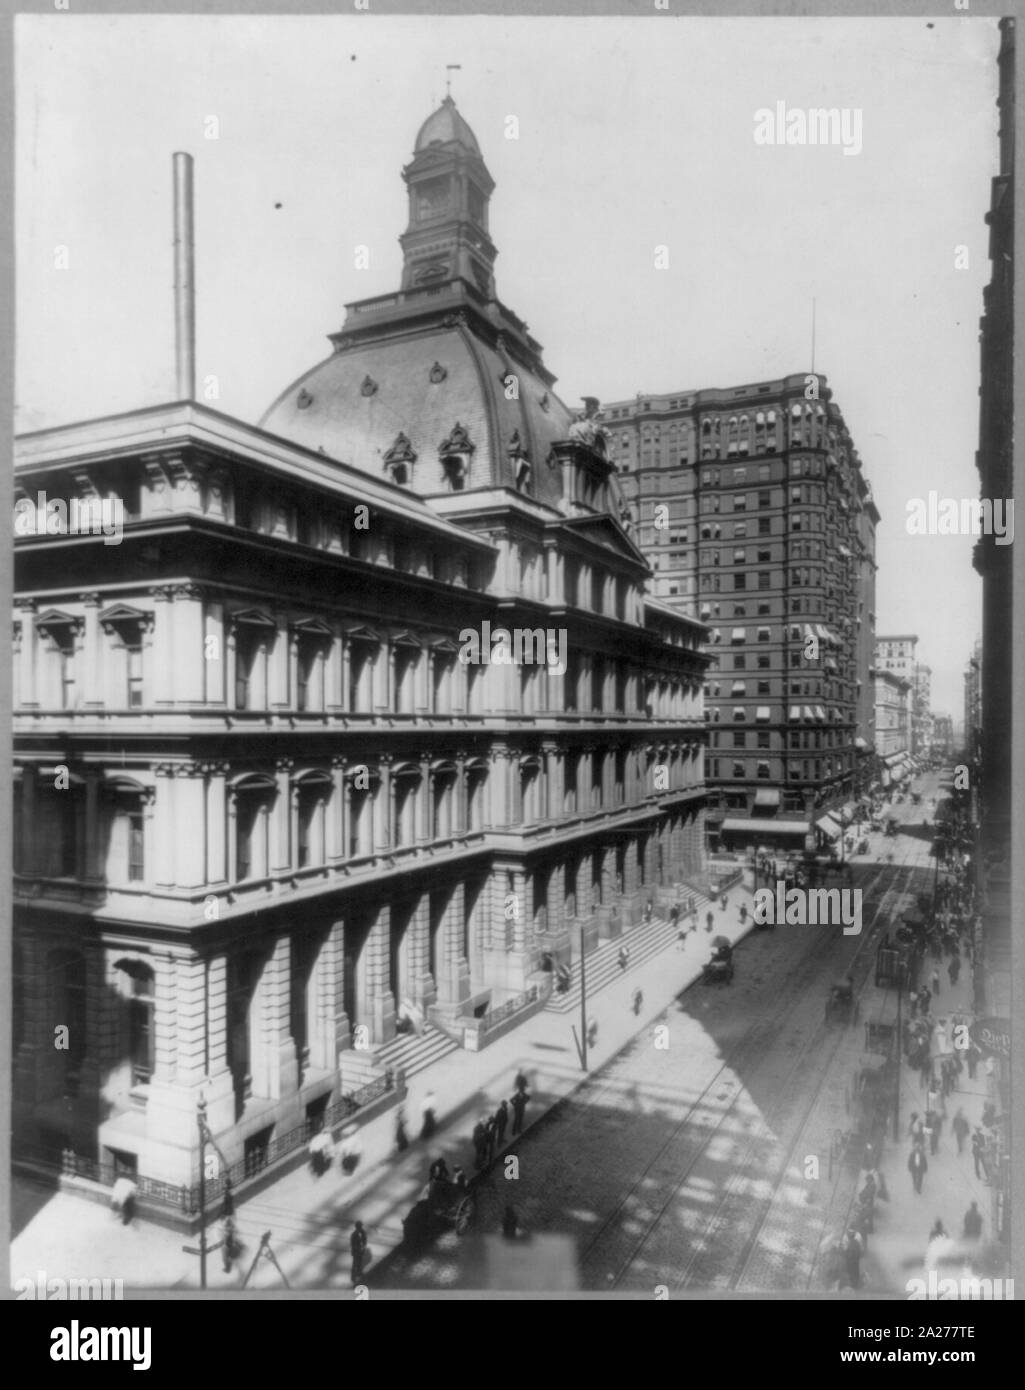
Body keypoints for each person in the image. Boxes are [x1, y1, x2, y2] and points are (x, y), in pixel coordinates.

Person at [350, 1221, 368, 1286]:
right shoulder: (354, 1234)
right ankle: (354, 1276)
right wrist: (355, 1250)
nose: (360, 1227)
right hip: (356, 1251)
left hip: (360, 1251)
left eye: (360, 1226)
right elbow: (352, 1244)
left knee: (359, 1262)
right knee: (355, 1263)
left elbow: (365, 1240)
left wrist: (363, 1247)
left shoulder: (363, 1233)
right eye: (359, 1226)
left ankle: (359, 1274)